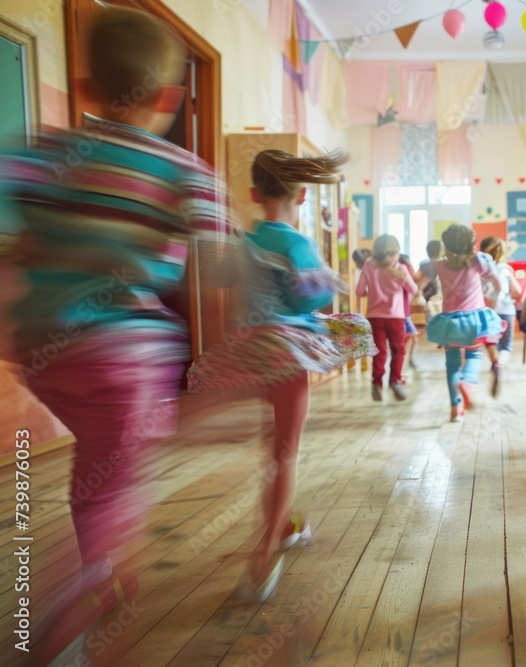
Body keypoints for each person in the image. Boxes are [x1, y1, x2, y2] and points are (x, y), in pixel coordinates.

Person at [0, 7, 232, 661]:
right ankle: (71, 606)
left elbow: (12, 238)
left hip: (46, 352)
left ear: (85, 89)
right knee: (117, 480)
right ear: (169, 97)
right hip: (125, 356)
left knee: (95, 469)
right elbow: (218, 276)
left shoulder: (47, 152)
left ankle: (104, 570)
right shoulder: (185, 170)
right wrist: (211, 375)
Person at [187, 149, 375, 600]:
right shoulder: (297, 243)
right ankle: (266, 550)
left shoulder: (241, 242)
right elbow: (307, 299)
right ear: (303, 196)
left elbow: (214, 279)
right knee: (283, 453)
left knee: (270, 444)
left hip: (249, 349)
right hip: (287, 350)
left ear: (254, 194)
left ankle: (286, 522)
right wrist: (329, 280)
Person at [423, 224, 505, 421]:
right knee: (474, 354)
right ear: (471, 244)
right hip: (475, 319)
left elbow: (421, 283)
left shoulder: (439, 265)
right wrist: (494, 294)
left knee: (451, 363)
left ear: (446, 245)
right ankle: (467, 382)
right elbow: (498, 283)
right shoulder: (478, 261)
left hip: (450, 322)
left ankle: (455, 409)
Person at [356, 235, 417, 401]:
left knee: (379, 351)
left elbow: (360, 291)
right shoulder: (400, 268)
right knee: (398, 350)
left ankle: (376, 382)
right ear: (396, 253)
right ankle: (395, 380)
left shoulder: (368, 265)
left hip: (374, 317)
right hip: (396, 318)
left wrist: (373, 293)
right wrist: (403, 280)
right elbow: (414, 289)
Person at [479, 236, 524, 379]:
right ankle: (499, 365)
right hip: (506, 310)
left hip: (486, 311)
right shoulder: (506, 269)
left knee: (490, 341)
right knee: (506, 346)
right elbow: (517, 291)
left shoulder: (479, 270)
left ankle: (495, 361)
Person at [418, 240, 444, 320]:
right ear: (442, 251)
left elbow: (416, 278)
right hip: (441, 298)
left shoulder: (424, 265)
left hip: (427, 297)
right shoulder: (445, 265)